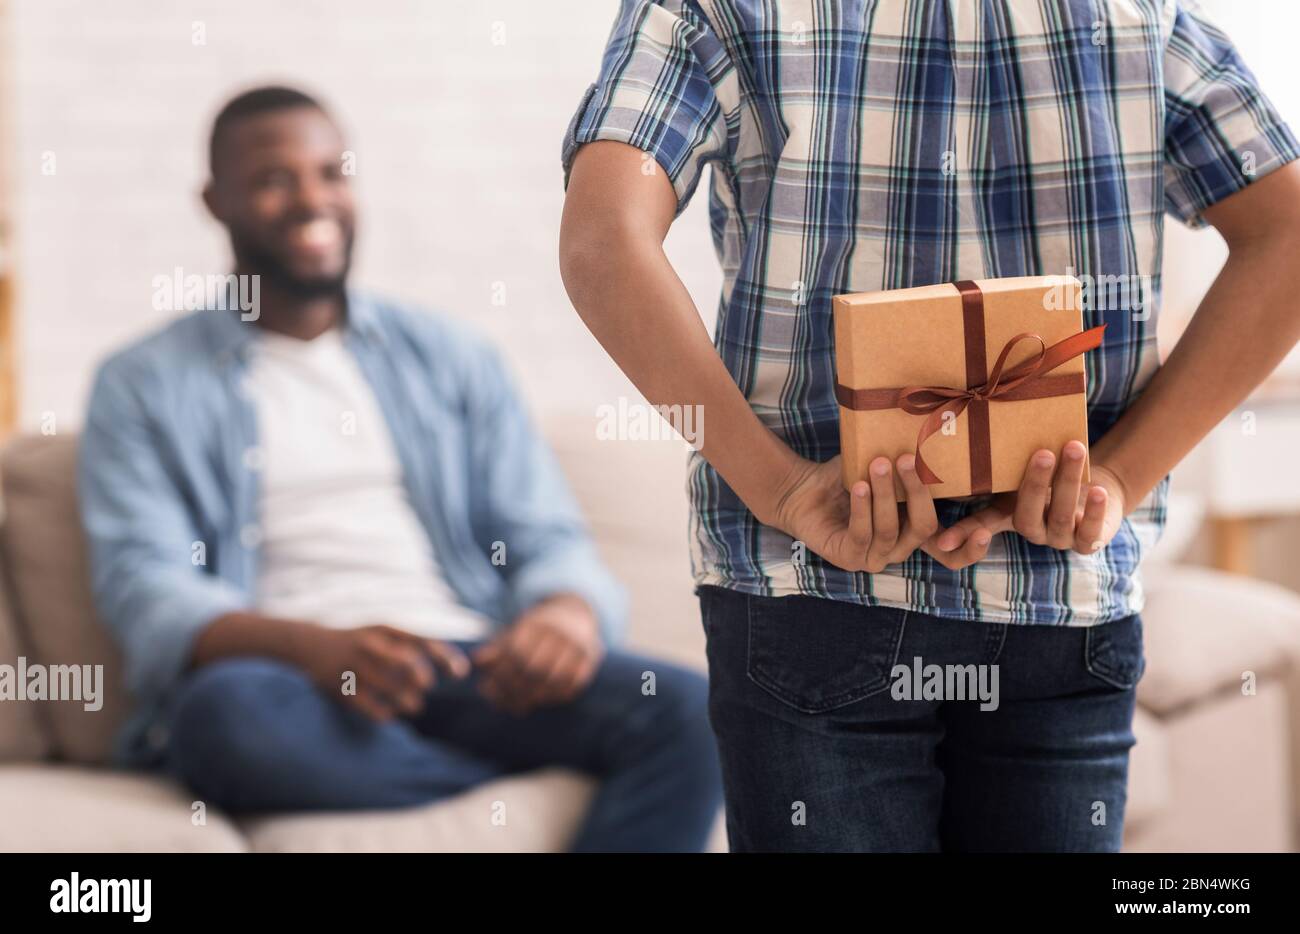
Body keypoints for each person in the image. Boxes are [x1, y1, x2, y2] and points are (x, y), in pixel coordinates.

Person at [558, 0, 1300, 851]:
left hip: (814, 592)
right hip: (1060, 595)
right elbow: (1290, 232)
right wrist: (1118, 477)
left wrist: (786, 488)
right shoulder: (1142, 12)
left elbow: (601, 240)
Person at [79, 85, 722, 853]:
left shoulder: (451, 358)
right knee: (219, 722)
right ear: (216, 201)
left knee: (690, 711)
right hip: (294, 685)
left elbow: (544, 534)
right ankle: (493, 769)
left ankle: (483, 749)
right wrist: (319, 648)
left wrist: (564, 613)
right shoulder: (142, 383)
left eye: (330, 172)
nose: (311, 198)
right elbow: (148, 590)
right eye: (274, 178)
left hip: (466, 664)